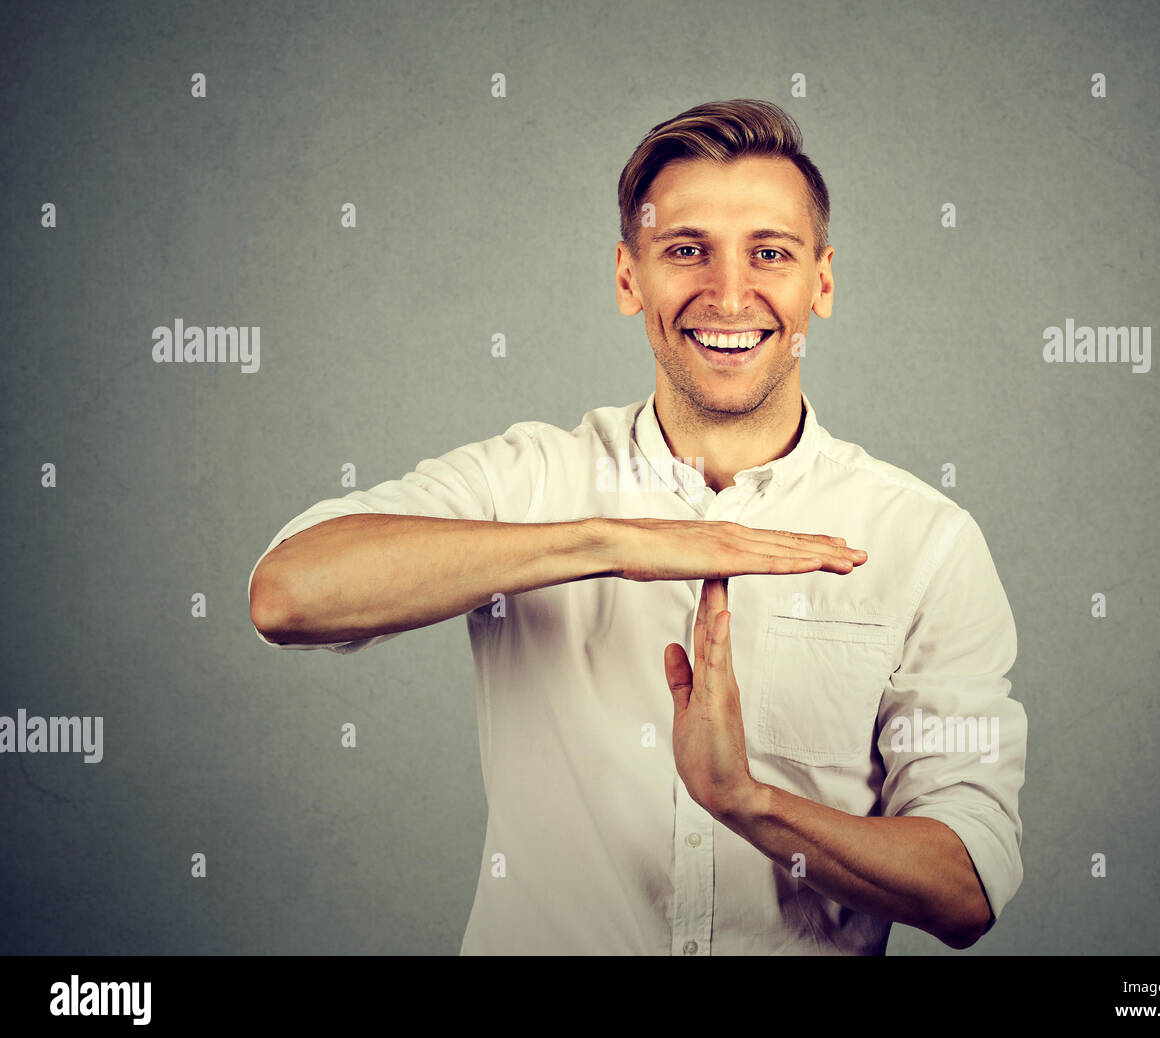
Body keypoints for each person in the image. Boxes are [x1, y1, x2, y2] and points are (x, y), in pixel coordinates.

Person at [247, 99, 1027, 956]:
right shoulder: (533, 478)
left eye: (770, 252)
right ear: (629, 277)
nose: (729, 294)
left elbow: (966, 886)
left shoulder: (926, 539)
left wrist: (749, 802)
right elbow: (288, 593)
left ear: (822, 281)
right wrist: (609, 542)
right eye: (685, 250)